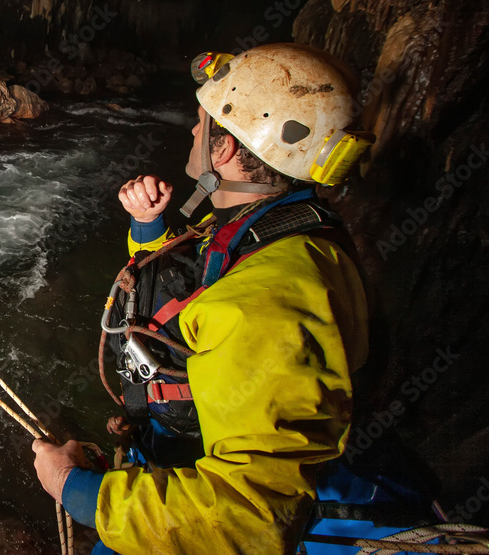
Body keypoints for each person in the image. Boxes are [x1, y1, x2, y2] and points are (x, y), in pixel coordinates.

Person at [32, 43, 377, 554]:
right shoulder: (269, 231)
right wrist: (147, 228)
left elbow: (252, 514)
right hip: (178, 443)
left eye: (203, 121)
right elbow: (180, 286)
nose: (194, 131)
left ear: (226, 152)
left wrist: (77, 490)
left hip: (195, 478)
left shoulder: (267, 302)